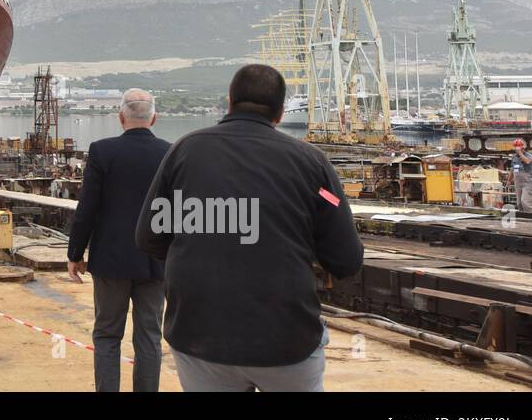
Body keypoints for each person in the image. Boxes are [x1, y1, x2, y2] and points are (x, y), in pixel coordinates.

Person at [135, 65, 363, 392]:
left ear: (229, 102)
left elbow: (148, 237)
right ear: (281, 113)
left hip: (198, 334)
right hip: (286, 339)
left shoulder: (184, 151)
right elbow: (346, 260)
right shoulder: (313, 164)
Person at [66, 88, 170, 392]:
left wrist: (75, 253)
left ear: (120, 117)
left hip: (110, 260)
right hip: (155, 261)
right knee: (150, 335)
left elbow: (87, 208)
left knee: (108, 335)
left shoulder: (102, 151)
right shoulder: (171, 151)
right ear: (154, 118)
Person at [512, 139, 532, 213]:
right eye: (516, 149)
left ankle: (530, 219)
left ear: (523, 148)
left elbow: (527, 161)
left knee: (525, 202)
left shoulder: (529, 155)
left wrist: (520, 153)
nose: (517, 150)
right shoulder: (514, 157)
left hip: (527, 183)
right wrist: (509, 180)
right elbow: (512, 169)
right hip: (518, 182)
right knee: (519, 203)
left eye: (519, 148)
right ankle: (522, 220)